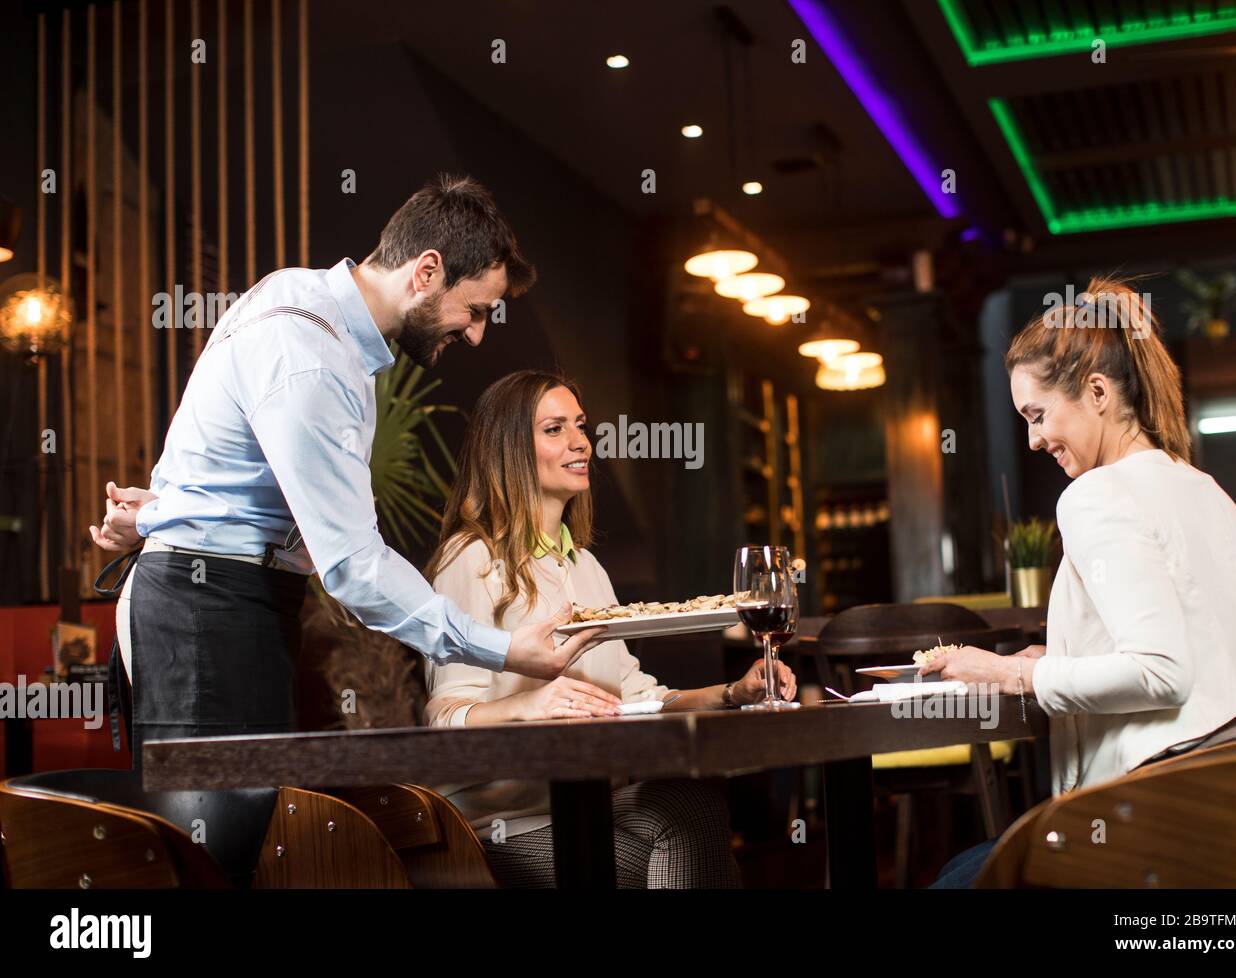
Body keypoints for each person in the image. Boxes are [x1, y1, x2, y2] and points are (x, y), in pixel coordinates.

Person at [87, 176, 607, 766]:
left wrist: (161, 512)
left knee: (241, 828)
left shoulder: (300, 300)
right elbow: (354, 566)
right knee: (214, 836)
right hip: (206, 604)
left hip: (226, 592)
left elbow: (235, 461)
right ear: (427, 271)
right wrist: (504, 649)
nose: (477, 332)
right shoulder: (309, 351)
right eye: (477, 309)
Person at [922, 278, 1236, 887]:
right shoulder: (1205, 489)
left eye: (1037, 414)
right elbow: (1189, 639)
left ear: (1097, 392)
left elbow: (1162, 670)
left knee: (957, 878)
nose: (1033, 439)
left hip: (1164, 803)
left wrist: (1012, 672)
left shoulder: (1094, 494)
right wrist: (1069, 656)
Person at [424, 369, 798, 887]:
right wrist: (528, 705)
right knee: (686, 847)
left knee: (691, 800)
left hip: (590, 801)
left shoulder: (586, 568)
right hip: (504, 828)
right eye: (554, 429)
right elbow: (444, 717)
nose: (581, 442)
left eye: (580, 425)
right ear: (509, 449)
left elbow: (639, 697)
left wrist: (735, 692)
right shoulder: (472, 559)